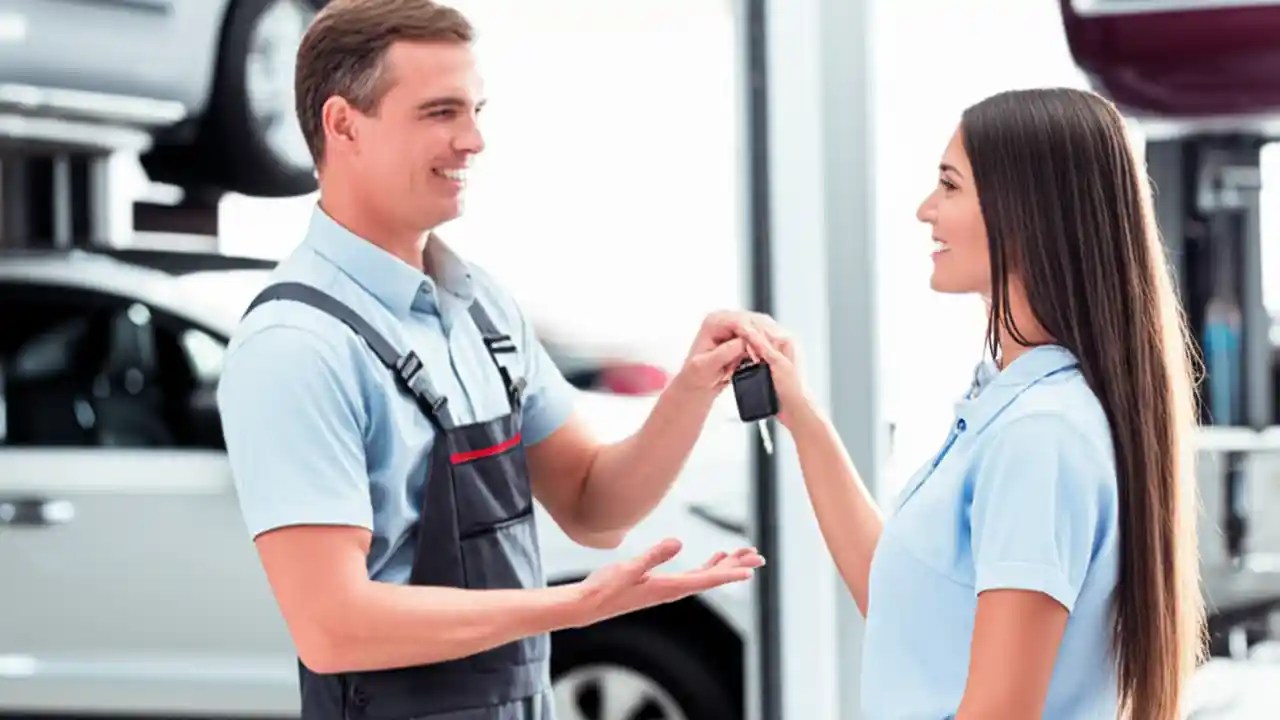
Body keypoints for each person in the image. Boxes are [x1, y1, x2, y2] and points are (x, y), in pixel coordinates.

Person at [215, 1, 768, 717]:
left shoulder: (481, 311)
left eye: (476, 110)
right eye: (441, 112)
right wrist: (569, 606)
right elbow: (333, 628)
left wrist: (693, 388)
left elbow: (595, 508)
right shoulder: (297, 347)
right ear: (343, 124)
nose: (473, 140)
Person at [740, 88, 1206, 719]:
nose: (925, 210)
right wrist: (802, 417)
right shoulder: (1020, 409)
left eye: (949, 186)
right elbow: (905, 602)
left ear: (1024, 212)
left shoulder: (1040, 438)